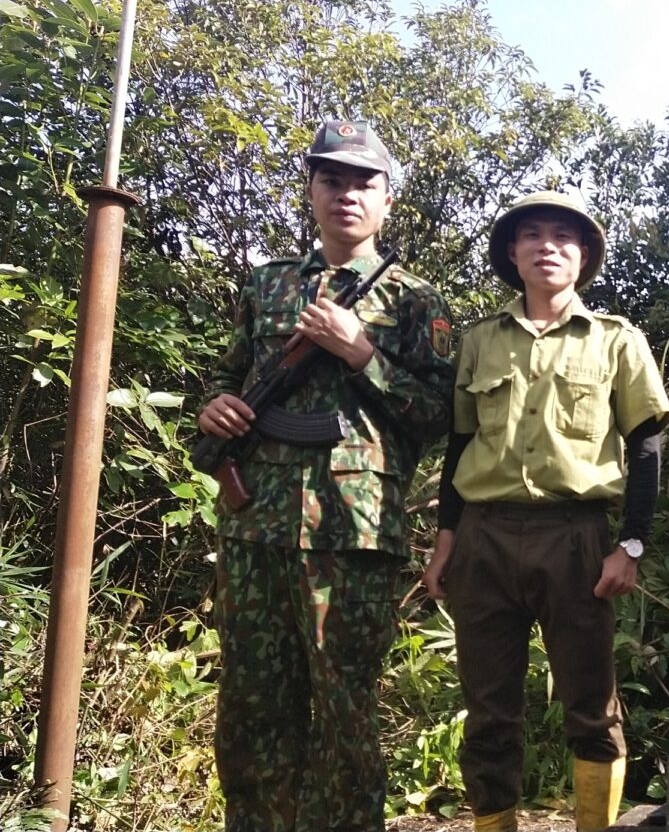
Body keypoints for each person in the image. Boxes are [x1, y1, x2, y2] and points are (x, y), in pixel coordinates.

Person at [196, 120, 455, 832]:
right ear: (310, 191)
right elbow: (226, 377)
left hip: (353, 529)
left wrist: (361, 350)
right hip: (256, 527)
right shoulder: (268, 283)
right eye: (331, 179)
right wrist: (214, 406)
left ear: (387, 199)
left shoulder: (414, 300)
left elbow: (440, 414)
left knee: (344, 711)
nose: (347, 193)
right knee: (253, 707)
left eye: (363, 181)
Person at [424, 190, 669, 832]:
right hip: (484, 538)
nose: (547, 246)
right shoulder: (480, 340)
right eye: (531, 235)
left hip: (576, 540)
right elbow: (459, 445)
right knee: (488, 709)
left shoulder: (616, 340)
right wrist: (445, 539)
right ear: (513, 252)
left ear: (583, 254)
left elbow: (647, 444)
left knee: (591, 705)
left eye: (563, 237)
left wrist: (632, 544)